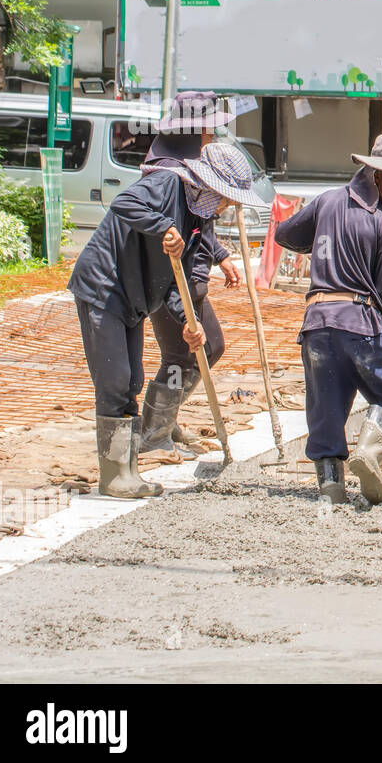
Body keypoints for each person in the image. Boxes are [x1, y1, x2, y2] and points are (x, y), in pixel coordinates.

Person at [68, 143, 268, 498]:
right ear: (209, 185)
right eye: (225, 197)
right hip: (104, 287)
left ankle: (127, 471)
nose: (226, 206)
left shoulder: (197, 217)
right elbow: (124, 204)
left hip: (134, 298)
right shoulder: (166, 183)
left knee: (133, 379)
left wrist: (188, 322)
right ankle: (113, 476)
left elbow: (178, 281)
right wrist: (163, 227)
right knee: (115, 379)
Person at [273, 134, 382, 506]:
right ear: (379, 174)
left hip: (317, 326)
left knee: (326, 408)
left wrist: (324, 237)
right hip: (361, 325)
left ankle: (331, 486)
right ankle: (369, 452)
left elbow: (285, 234)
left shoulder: (327, 202)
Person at [135, 92, 244, 456]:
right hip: (169, 284)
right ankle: (154, 434)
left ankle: (167, 418)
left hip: (193, 280)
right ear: (190, 130)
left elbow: (200, 222)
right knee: (180, 358)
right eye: (207, 131)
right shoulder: (167, 173)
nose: (211, 139)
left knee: (212, 346)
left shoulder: (193, 165)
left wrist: (221, 255)